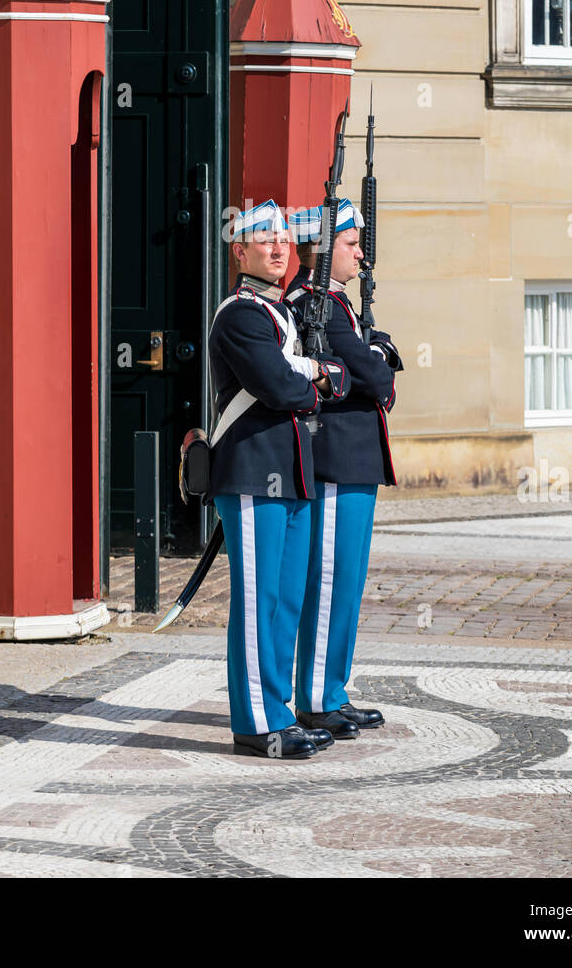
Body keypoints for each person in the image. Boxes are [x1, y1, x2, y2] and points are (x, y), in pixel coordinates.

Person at [209, 199, 351, 758]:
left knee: (287, 599)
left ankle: (280, 711)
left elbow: (329, 383)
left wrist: (314, 375)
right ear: (240, 251)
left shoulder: (285, 316)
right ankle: (255, 723)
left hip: (291, 473)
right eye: (264, 238)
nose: (278, 247)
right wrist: (315, 374)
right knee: (258, 601)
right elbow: (280, 387)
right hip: (251, 473)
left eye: (285, 239)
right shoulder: (241, 314)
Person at [285, 199, 403, 737]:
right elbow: (376, 382)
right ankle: (314, 695)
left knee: (348, 583)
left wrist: (372, 357)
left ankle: (332, 688)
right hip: (335, 461)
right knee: (329, 581)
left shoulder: (336, 304)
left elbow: (369, 374)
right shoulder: (318, 305)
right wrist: (376, 361)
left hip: (355, 463)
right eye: (351, 243)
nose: (361, 253)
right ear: (323, 247)